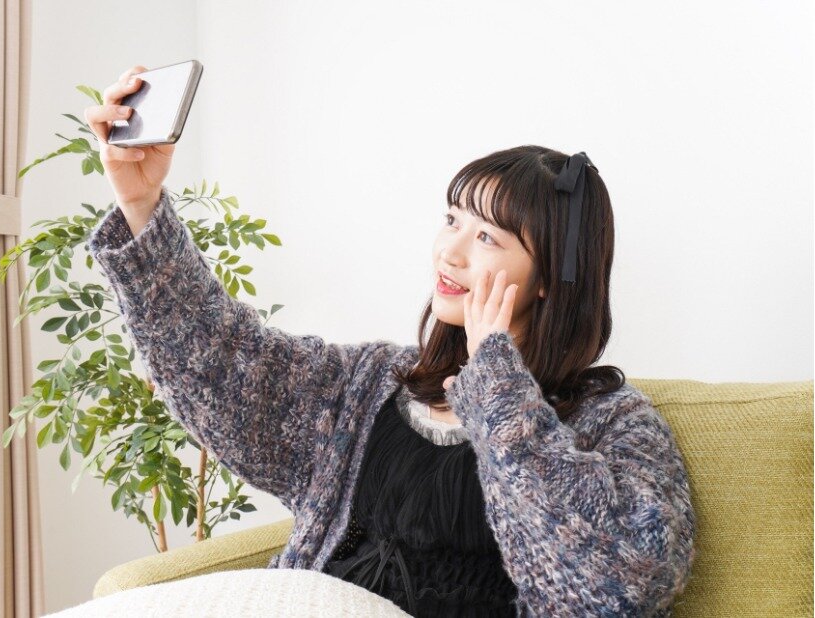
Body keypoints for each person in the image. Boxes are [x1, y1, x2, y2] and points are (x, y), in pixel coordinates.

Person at [82, 65, 696, 617]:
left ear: (548, 280)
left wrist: (499, 390)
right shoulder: (372, 381)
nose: (449, 252)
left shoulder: (613, 424)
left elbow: (619, 588)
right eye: (452, 220)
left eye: (487, 238)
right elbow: (223, 364)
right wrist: (140, 203)